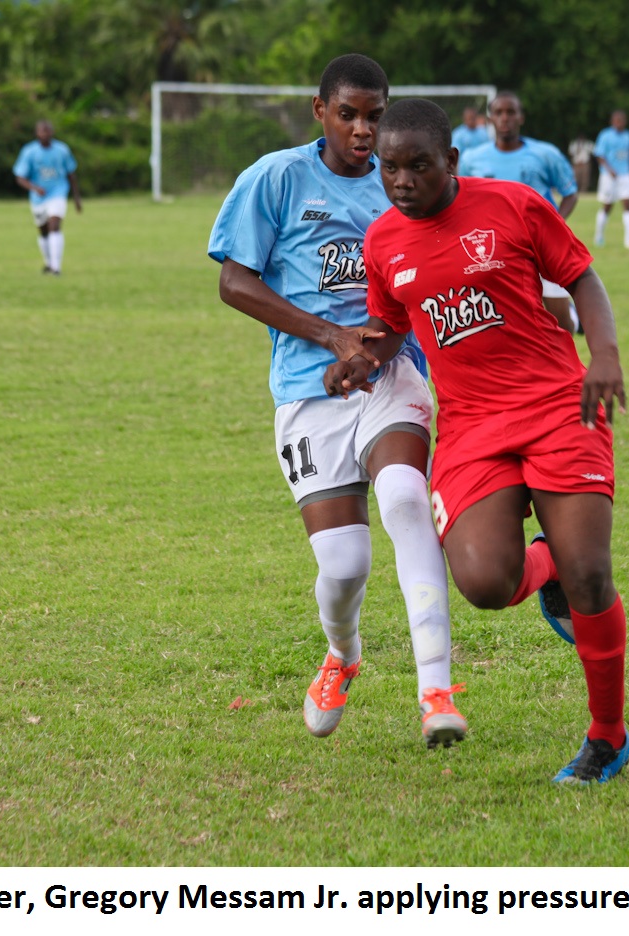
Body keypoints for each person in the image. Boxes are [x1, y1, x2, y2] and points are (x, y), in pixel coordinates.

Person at [326, 98, 629, 785]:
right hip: (471, 428)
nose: (401, 179)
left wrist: (605, 356)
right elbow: (391, 326)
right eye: (390, 167)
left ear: (452, 161)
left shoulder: (515, 206)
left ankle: (607, 738)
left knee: (592, 577)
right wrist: (359, 360)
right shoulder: (383, 243)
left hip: (559, 405)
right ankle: (542, 566)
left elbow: (581, 275)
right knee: (487, 583)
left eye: (418, 166)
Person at [206, 54, 464, 749]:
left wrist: (373, 352)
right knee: (345, 565)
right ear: (319, 110)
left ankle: (435, 689)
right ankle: (343, 655)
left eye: (374, 116)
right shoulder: (277, 178)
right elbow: (234, 282)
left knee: (408, 497)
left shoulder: (404, 184)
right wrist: (331, 339)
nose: (362, 129)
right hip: (308, 390)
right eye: (347, 114)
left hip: (390, 377)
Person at [459, 91, 582, 334]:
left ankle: (574, 318)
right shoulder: (473, 159)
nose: (505, 118)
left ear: (521, 117)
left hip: (541, 245)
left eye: (511, 112)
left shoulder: (544, 154)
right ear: (491, 118)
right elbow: (462, 198)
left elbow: (570, 192)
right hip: (496, 250)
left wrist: (553, 225)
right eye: (499, 113)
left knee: (561, 325)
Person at [13, 120, 81, 275]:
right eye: (42, 131)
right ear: (37, 133)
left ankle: (56, 267)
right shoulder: (29, 151)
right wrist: (35, 188)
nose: (45, 134)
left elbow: (71, 174)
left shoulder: (62, 150)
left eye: (47, 131)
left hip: (58, 193)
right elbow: (20, 177)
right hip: (38, 198)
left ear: (52, 132)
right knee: (43, 231)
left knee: (54, 225)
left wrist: (76, 198)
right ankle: (49, 262)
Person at [593, 110, 629, 250]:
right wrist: (609, 169)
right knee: (607, 206)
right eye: (617, 120)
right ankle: (599, 235)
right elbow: (599, 155)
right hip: (608, 175)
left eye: (622, 120)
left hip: (625, 174)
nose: (619, 123)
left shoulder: (628, 136)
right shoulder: (605, 135)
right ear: (612, 121)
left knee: (628, 204)